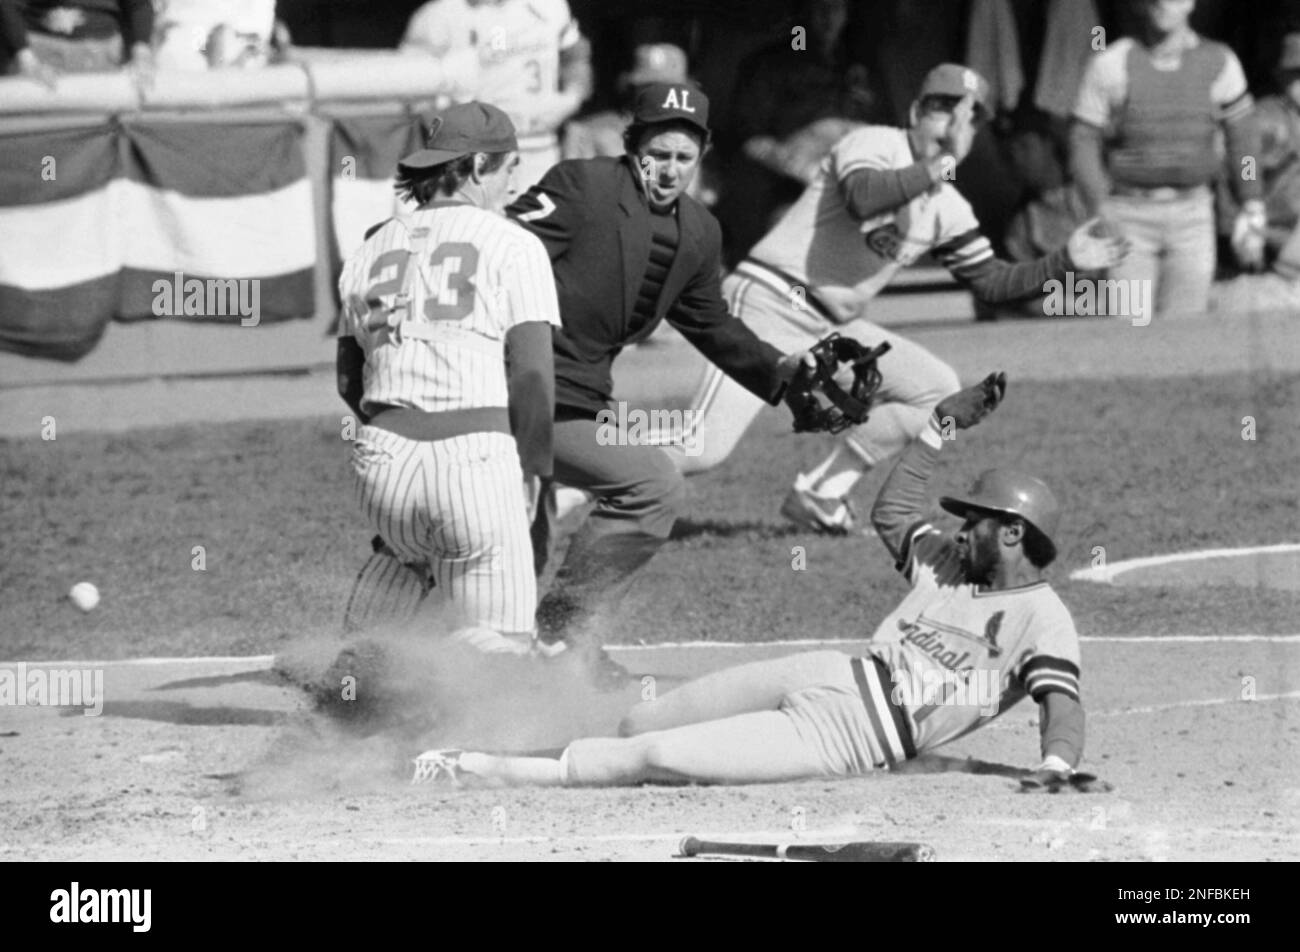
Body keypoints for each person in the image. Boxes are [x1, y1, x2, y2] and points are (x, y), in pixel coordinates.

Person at [412, 374, 1096, 790]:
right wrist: (939, 428)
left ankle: (476, 767)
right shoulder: (949, 565)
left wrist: (1058, 765)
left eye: (975, 521)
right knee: (640, 720)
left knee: (658, 756)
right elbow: (892, 512)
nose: (961, 529)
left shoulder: (1044, 619)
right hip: (828, 672)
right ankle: (506, 744)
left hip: (856, 737)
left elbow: (1059, 702)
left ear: (1011, 533)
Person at [644, 64, 1127, 535]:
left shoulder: (947, 207)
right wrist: (940, 164)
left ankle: (821, 491)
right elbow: (864, 198)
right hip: (769, 302)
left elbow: (992, 282)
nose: (955, 122)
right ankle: (579, 464)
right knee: (702, 446)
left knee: (935, 390)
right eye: (943, 108)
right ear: (916, 111)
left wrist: (1066, 260)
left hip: (827, 326)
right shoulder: (876, 143)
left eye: (971, 114)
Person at [504, 81, 814, 678]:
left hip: (579, 400)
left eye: (684, 157)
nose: (670, 169)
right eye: (658, 154)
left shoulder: (698, 231)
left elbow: (711, 323)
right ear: (632, 146)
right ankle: (562, 638)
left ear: (702, 156)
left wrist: (784, 376)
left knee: (528, 546)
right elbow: (500, 249)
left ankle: (551, 655)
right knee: (649, 486)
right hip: (519, 386)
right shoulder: (583, 186)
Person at [336, 102, 559, 651]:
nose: (515, 181)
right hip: (474, 461)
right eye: (510, 167)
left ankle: (360, 678)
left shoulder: (370, 245)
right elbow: (531, 373)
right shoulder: (515, 243)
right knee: (499, 651)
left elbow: (349, 380)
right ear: (479, 166)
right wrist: (533, 471)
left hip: (382, 462)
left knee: (414, 577)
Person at [1069, 0, 1264, 317]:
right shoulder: (1111, 62)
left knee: (1186, 333)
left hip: (1194, 217)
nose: (1163, 3)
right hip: (1127, 218)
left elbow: (1244, 141)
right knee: (1130, 327)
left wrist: (1252, 202)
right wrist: (1099, 203)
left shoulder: (1220, 62)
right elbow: (1082, 140)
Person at [400, 0, 592, 192]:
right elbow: (410, 95)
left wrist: (571, 98)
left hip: (541, 149)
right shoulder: (437, 16)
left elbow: (576, 55)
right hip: (474, 159)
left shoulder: (550, 5)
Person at [0, 0, 154, 84]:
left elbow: (139, 5)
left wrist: (141, 56)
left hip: (104, 61)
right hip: (41, 62)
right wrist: (27, 60)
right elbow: (7, 5)